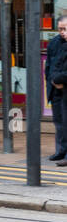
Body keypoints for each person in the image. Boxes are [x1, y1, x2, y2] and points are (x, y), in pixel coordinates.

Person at [46, 15, 67, 164]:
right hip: (56, 90)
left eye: (65, 29)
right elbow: (49, 66)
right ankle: (61, 151)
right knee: (59, 122)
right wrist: (53, 80)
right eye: (60, 29)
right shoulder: (54, 43)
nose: (62, 32)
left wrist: (60, 80)